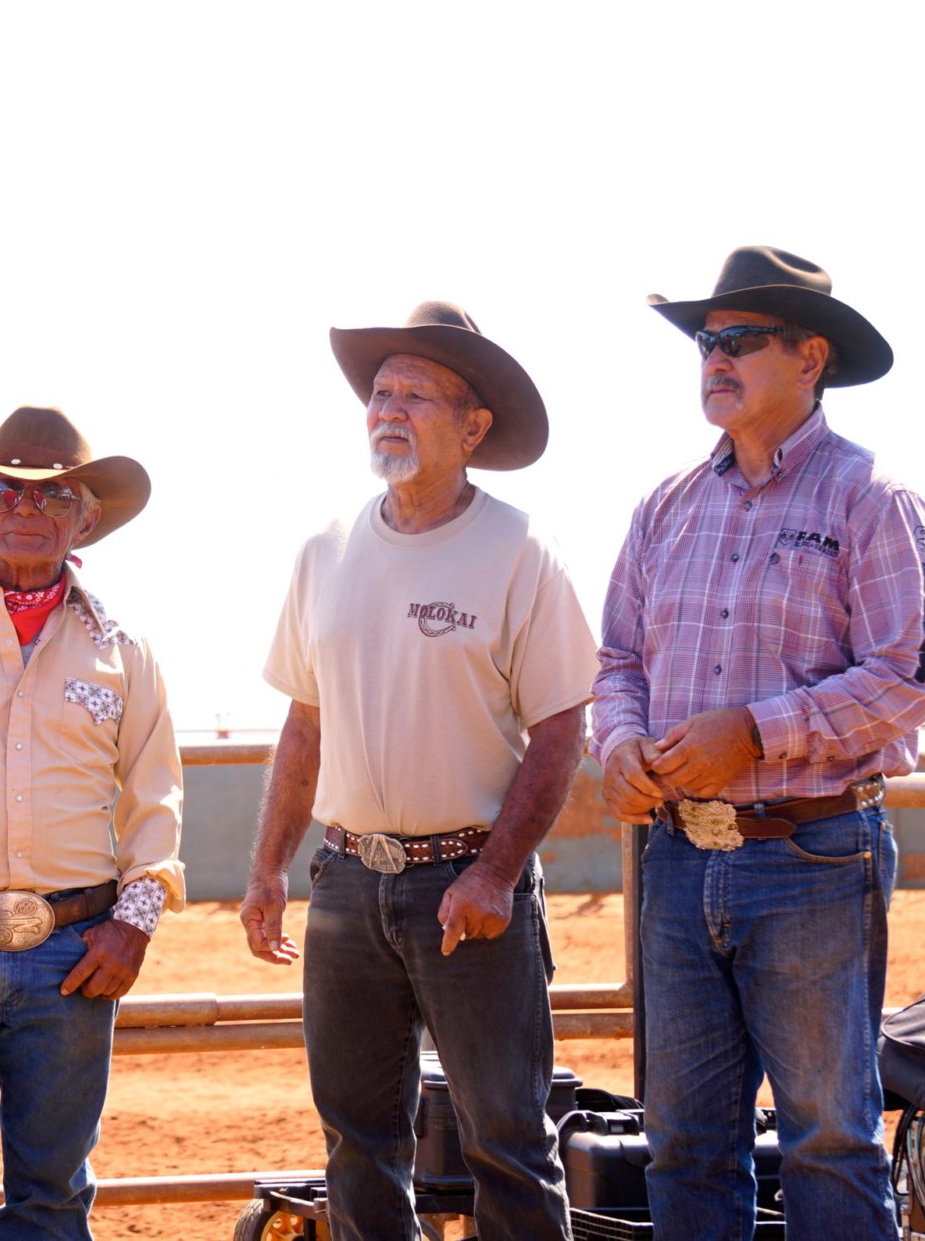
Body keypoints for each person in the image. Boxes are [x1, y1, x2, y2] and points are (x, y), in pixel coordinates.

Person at [593, 246, 925, 1239]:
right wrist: (618, 743)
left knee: (827, 1138)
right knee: (682, 1142)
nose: (713, 359)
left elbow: (912, 676)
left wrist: (753, 732)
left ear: (809, 357)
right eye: (705, 343)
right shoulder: (665, 507)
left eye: (739, 340)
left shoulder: (870, 500)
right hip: (676, 856)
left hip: (811, 854)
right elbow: (616, 659)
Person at [240, 302, 596, 1241]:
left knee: (507, 1139)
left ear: (473, 428)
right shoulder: (325, 551)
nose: (388, 410)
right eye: (380, 392)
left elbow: (562, 728)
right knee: (357, 1143)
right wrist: (269, 866)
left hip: (469, 885)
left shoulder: (521, 551)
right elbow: (304, 722)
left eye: (416, 395)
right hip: (348, 879)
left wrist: (497, 872)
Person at [0, 406, 184, 1240]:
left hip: (75, 949)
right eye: (6, 493)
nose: (26, 510)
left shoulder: (124, 650)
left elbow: (155, 797)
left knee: (53, 1194)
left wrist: (133, 925)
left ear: (85, 520)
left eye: (53, 496)